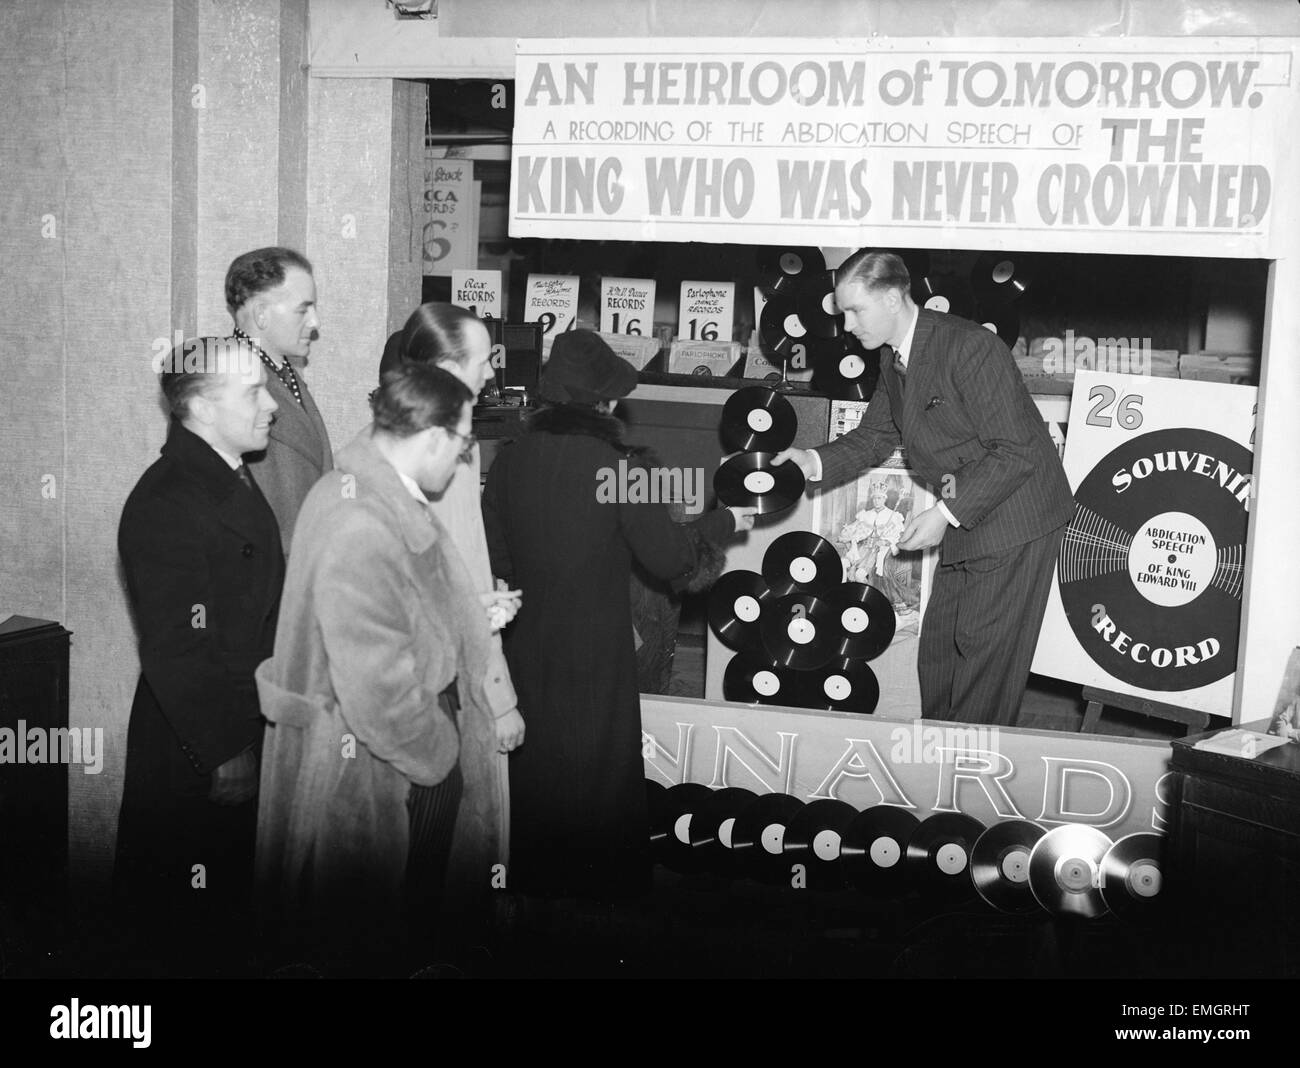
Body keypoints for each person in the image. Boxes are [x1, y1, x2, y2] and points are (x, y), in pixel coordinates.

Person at [482, 331, 755, 902]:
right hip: (597, 651)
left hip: (524, 646)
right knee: (598, 783)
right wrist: (724, 523)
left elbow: (498, 559)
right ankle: (600, 913)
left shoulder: (508, 462)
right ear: (605, 404)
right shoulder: (622, 469)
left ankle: (532, 905)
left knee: (537, 776)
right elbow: (672, 559)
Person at [254, 362, 505, 974]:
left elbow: (393, 611)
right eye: (465, 443)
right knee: (382, 940)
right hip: (377, 777)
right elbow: (378, 692)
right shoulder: (363, 520)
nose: (465, 458)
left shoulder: (362, 493)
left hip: (381, 766)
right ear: (433, 438)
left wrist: (468, 614)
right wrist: (439, 755)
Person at [776, 249, 1074, 726]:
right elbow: (876, 436)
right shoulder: (894, 358)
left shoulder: (969, 348)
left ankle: (968, 777)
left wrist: (943, 514)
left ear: (893, 298)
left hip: (1018, 515)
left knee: (982, 654)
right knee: (939, 648)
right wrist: (810, 460)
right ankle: (939, 755)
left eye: (855, 310)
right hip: (970, 502)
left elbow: (1017, 450)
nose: (847, 325)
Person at [115, 336, 283, 970]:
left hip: (241, 723)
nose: (270, 404)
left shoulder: (226, 477)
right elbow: (178, 647)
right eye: (253, 392)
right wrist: (225, 748)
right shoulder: (168, 499)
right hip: (196, 745)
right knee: (184, 933)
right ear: (203, 407)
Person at [379, 304, 525, 764]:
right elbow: (465, 577)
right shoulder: (450, 455)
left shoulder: (393, 439)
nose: (491, 372)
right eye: (482, 360)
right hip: (451, 682)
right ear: (445, 369)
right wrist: (500, 701)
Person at [226, 246, 333, 553]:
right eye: (304, 309)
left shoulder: (285, 375)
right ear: (261, 314)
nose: (315, 323)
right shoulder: (226, 387)